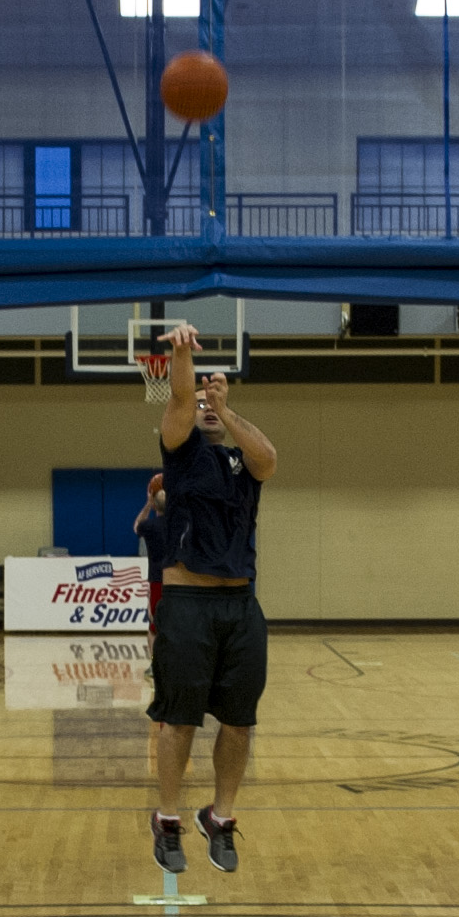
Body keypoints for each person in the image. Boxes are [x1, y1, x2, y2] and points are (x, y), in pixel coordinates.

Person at [148, 321, 276, 874]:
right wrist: (182, 355)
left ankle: (220, 817)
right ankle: (168, 819)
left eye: (214, 397)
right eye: (200, 399)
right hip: (187, 604)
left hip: (240, 606)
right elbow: (178, 397)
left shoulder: (244, 460)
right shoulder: (180, 453)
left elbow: (269, 457)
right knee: (179, 721)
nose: (204, 404)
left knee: (239, 721)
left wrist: (226, 411)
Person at [134, 472, 167, 631]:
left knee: (154, 624)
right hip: (176, 579)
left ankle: (156, 656)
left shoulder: (149, 526)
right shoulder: (179, 525)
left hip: (156, 578)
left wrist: (148, 503)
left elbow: (137, 526)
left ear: (154, 504)